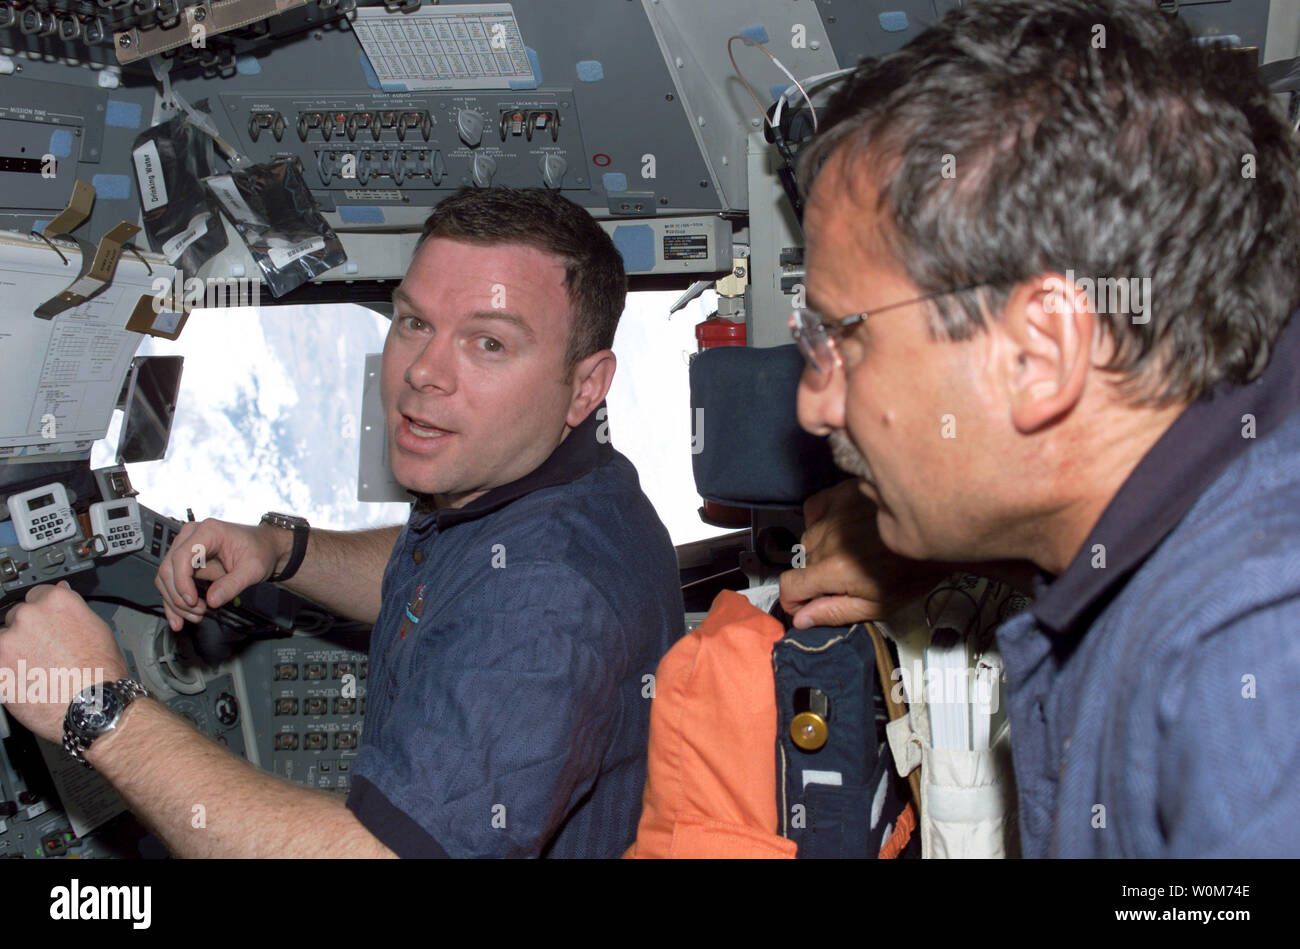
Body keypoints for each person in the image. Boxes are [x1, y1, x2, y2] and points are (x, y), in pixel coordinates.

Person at [0, 187, 684, 858]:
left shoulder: (551, 601)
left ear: (587, 385)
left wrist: (99, 708)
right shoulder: (554, 493)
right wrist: (281, 549)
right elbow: (437, 576)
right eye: (414, 322)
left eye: (488, 343)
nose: (422, 371)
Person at [779, 0, 1300, 856]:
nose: (812, 402)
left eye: (845, 337)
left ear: (1040, 353)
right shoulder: (1201, 518)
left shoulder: (1253, 658)